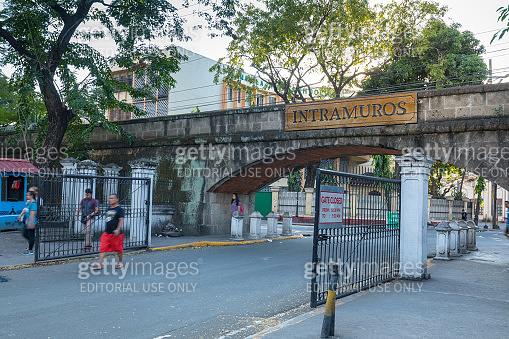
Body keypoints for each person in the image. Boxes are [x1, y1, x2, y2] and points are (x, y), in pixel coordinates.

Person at [91, 194, 125, 269]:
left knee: (119, 249)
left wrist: (118, 229)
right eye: (110, 198)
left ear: (117, 200)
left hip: (117, 234)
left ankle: (120, 262)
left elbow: (121, 220)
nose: (110, 200)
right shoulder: (108, 208)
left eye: (112, 198)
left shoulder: (120, 209)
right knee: (103, 247)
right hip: (107, 233)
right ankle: (100, 264)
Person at [22, 191, 37, 255]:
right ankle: (32, 243)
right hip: (28, 222)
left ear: (31, 196)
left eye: (27, 195)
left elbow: (32, 214)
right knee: (26, 234)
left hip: (31, 222)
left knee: (30, 235)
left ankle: (30, 250)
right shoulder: (29, 203)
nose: (26, 196)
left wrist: (31, 223)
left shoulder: (33, 203)